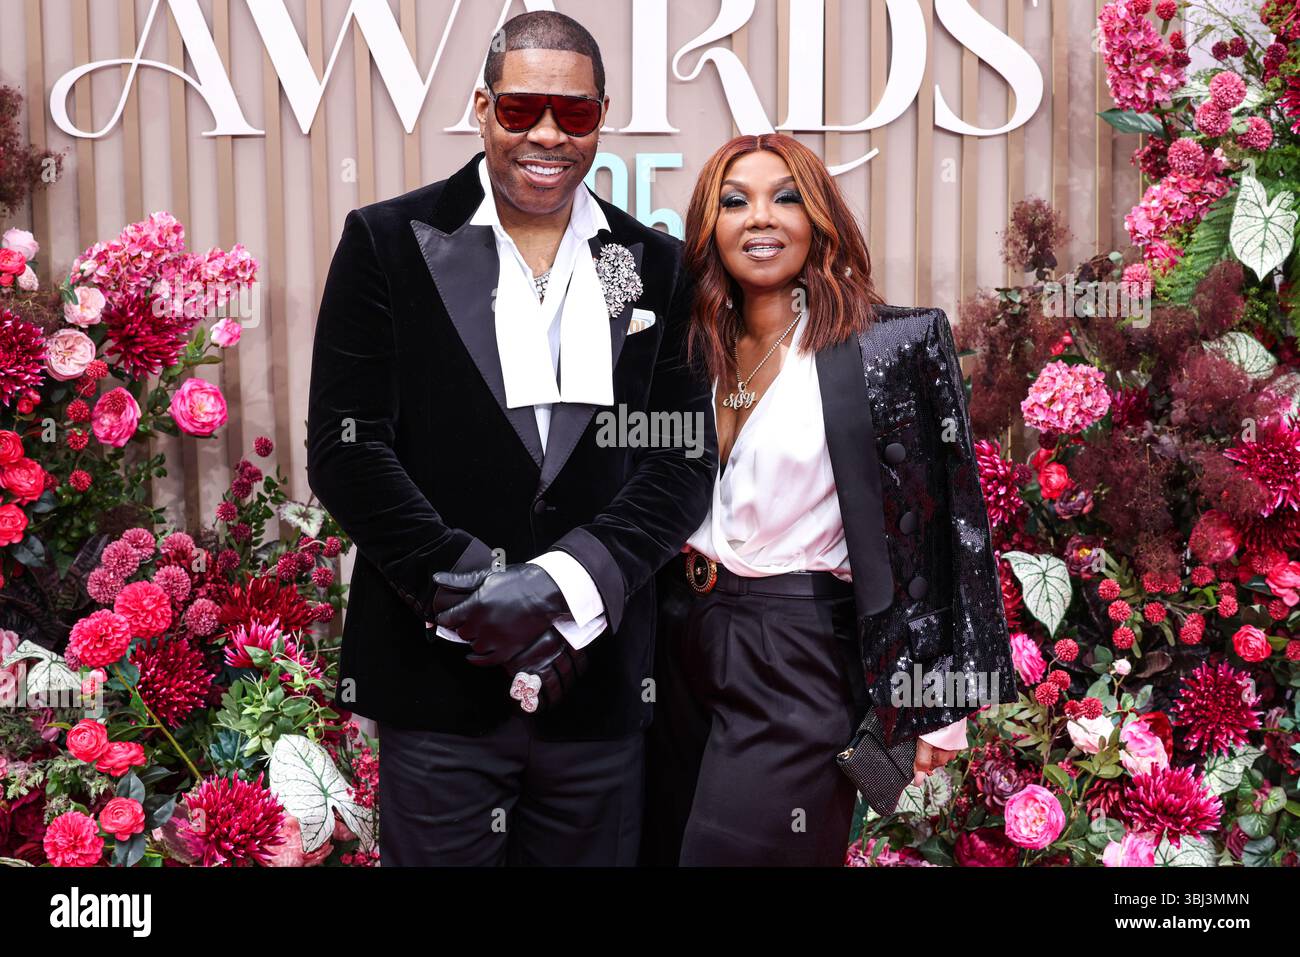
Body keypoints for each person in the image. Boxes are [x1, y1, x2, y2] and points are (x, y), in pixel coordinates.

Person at [307, 11, 716, 867]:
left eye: (574, 115)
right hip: (436, 687)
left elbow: (676, 458)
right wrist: (478, 596)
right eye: (523, 107)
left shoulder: (651, 265)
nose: (546, 134)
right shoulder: (386, 243)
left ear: (601, 116)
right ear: (483, 108)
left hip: (598, 687)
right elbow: (349, 450)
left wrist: (561, 589)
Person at [641, 134, 1017, 867]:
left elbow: (946, 527)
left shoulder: (890, 346)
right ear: (708, 227)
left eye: (785, 197)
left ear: (818, 218)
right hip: (675, 631)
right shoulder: (682, 350)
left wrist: (937, 706)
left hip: (798, 643)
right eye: (734, 200)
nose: (760, 218)